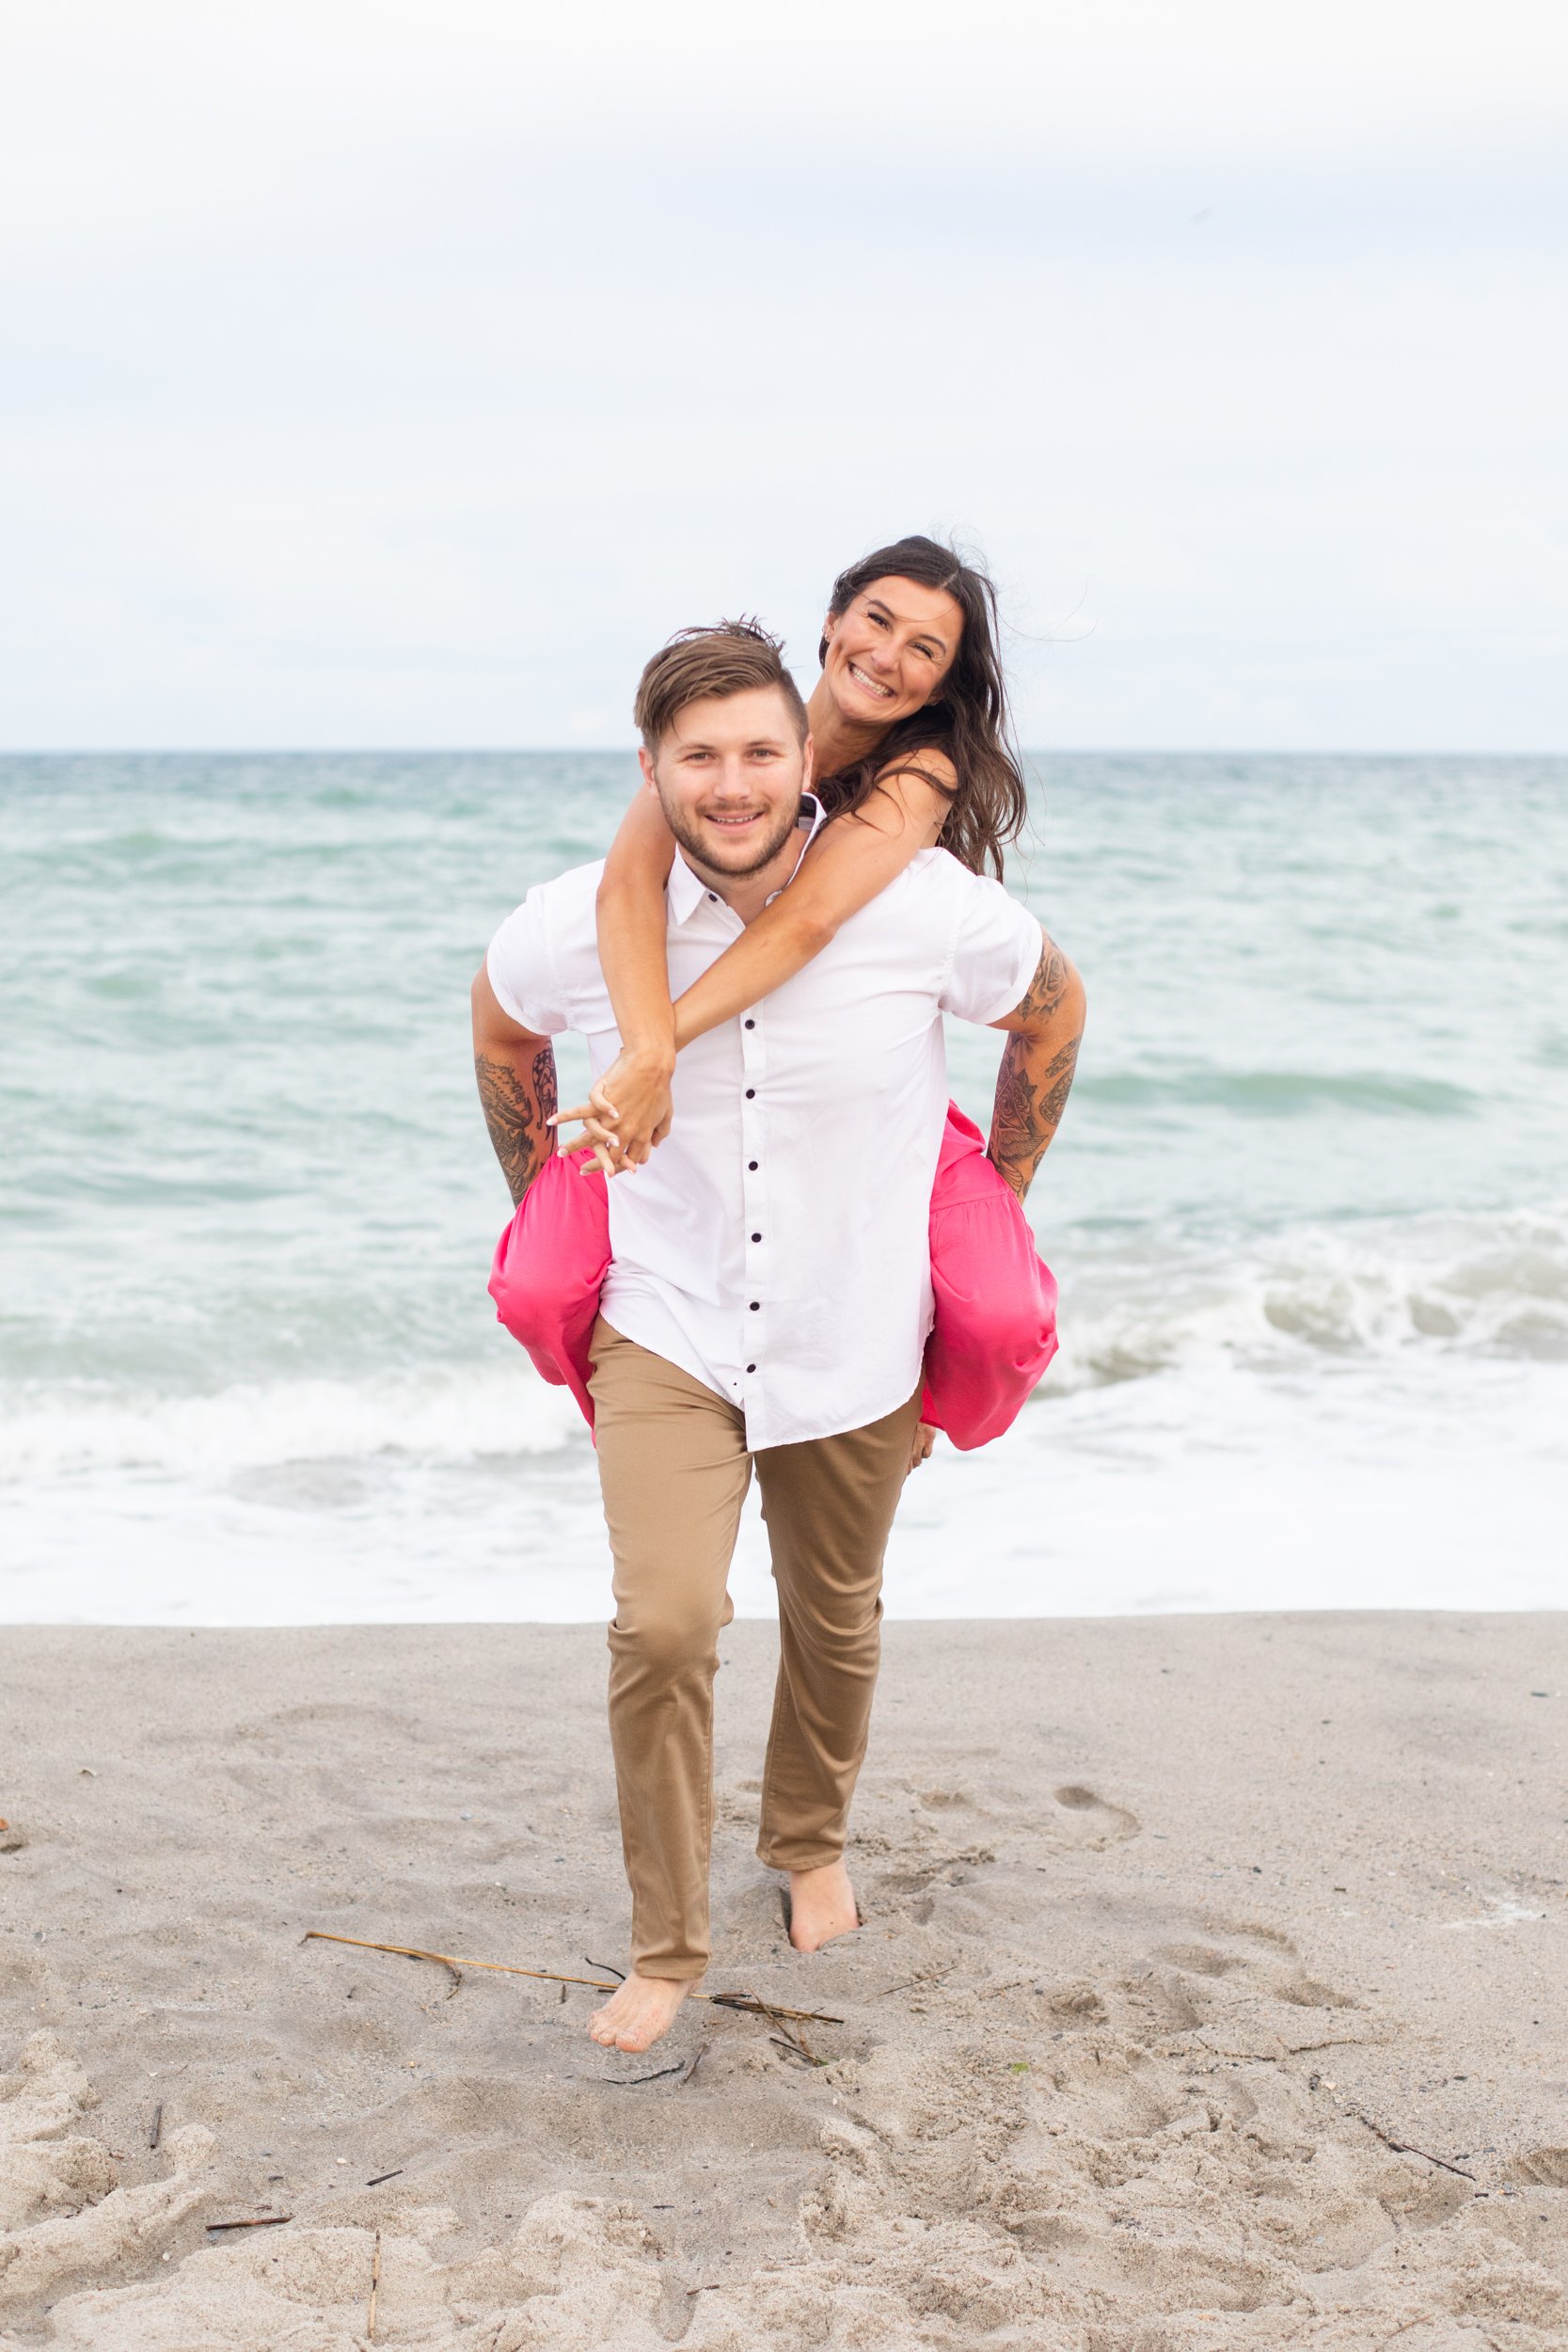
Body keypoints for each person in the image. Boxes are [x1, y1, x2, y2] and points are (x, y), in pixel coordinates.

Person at [472, 619, 1085, 2054]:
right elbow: (502, 1034)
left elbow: (1051, 1016)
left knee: (834, 1610)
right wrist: (553, 1193)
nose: (732, 784)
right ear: (652, 770)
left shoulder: (923, 906)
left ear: (804, 756)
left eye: (759, 751)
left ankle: (808, 1842)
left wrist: (989, 1203)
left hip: (858, 1324)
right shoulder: (576, 922)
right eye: (699, 758)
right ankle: (663, 1945)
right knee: (664, 1623)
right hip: (666, 1323)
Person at [557, 533, 1079, 1474]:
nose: (887, 654)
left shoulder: (919, 774)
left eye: (925, 647)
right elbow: (625, 886)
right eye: (876, 620)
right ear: (832, 621)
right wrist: (640, 1054)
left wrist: (653, 1052)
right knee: (533, 1281)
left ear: (941, 681)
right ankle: (642, 1415)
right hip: (731, 1096)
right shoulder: (741, 732)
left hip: (879, 1101)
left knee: (1001, 1313)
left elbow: (804, 924)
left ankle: (916, 1405)